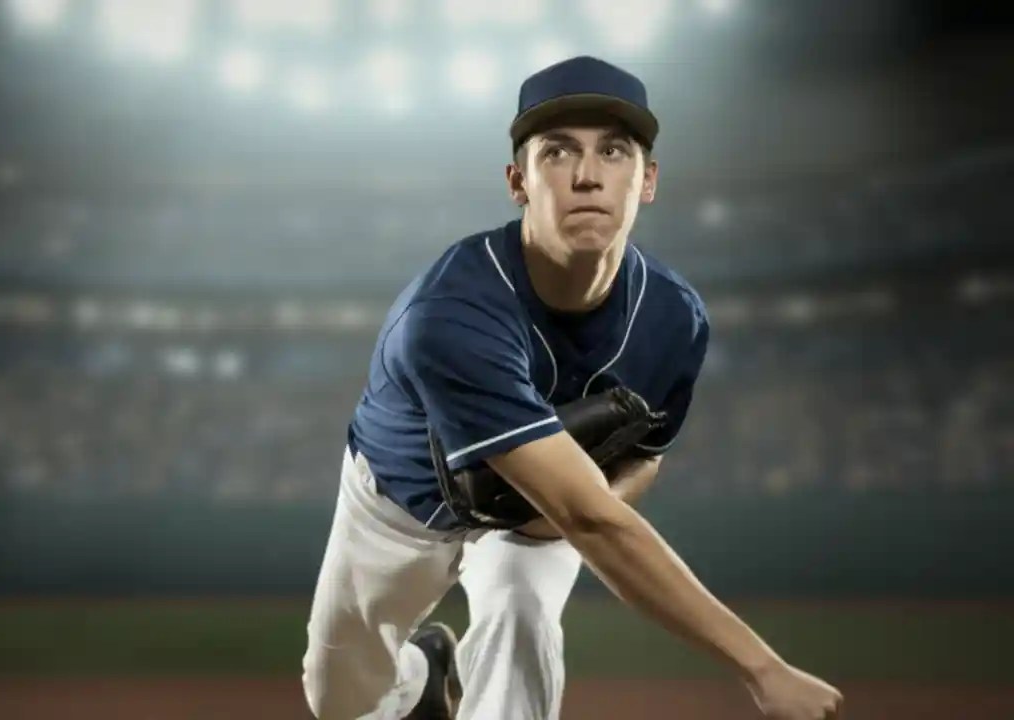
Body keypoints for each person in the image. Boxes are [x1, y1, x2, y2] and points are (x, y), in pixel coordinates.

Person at [301, 55, 843, 720]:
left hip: (544, 513)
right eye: (558, 151)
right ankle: (421, 676)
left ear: (647, 180)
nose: (588, 175)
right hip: (400, 505)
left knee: (521, 617)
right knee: (337, 696)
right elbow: (591, 520)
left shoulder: (674, 318)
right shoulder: (451, 314)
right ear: (518, 181)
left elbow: (643, 457)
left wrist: (566, 512)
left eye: (614, 151)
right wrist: (762, 669)